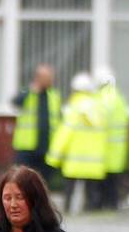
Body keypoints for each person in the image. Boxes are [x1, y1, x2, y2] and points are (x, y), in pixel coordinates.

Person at [45, 72, 107, 212]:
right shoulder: (99, 108)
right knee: (92, 191)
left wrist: (53, 157)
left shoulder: (73, 109)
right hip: (95, 162)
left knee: (70, 189)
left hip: (74, 160)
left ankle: (67, 209)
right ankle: (92, 211)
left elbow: (64, 134)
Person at [11, 64, 60, 177]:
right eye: (47, 77)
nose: (50, 80)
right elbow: (15, 102)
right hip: (27, 146)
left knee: (44, 180)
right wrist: (30, 91)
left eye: (51, 77)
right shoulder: (28, 92)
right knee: (22, 178)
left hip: (47, 146)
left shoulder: (54, 95)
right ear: (38, 78)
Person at [93, 66, 129, 210]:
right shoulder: (119, 98)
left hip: (104, 148)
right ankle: (113, 205)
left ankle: (102, 206)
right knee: (113, 182)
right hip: (117, 148)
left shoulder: (102, 98)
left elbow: (98, 122)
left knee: (103, 182)